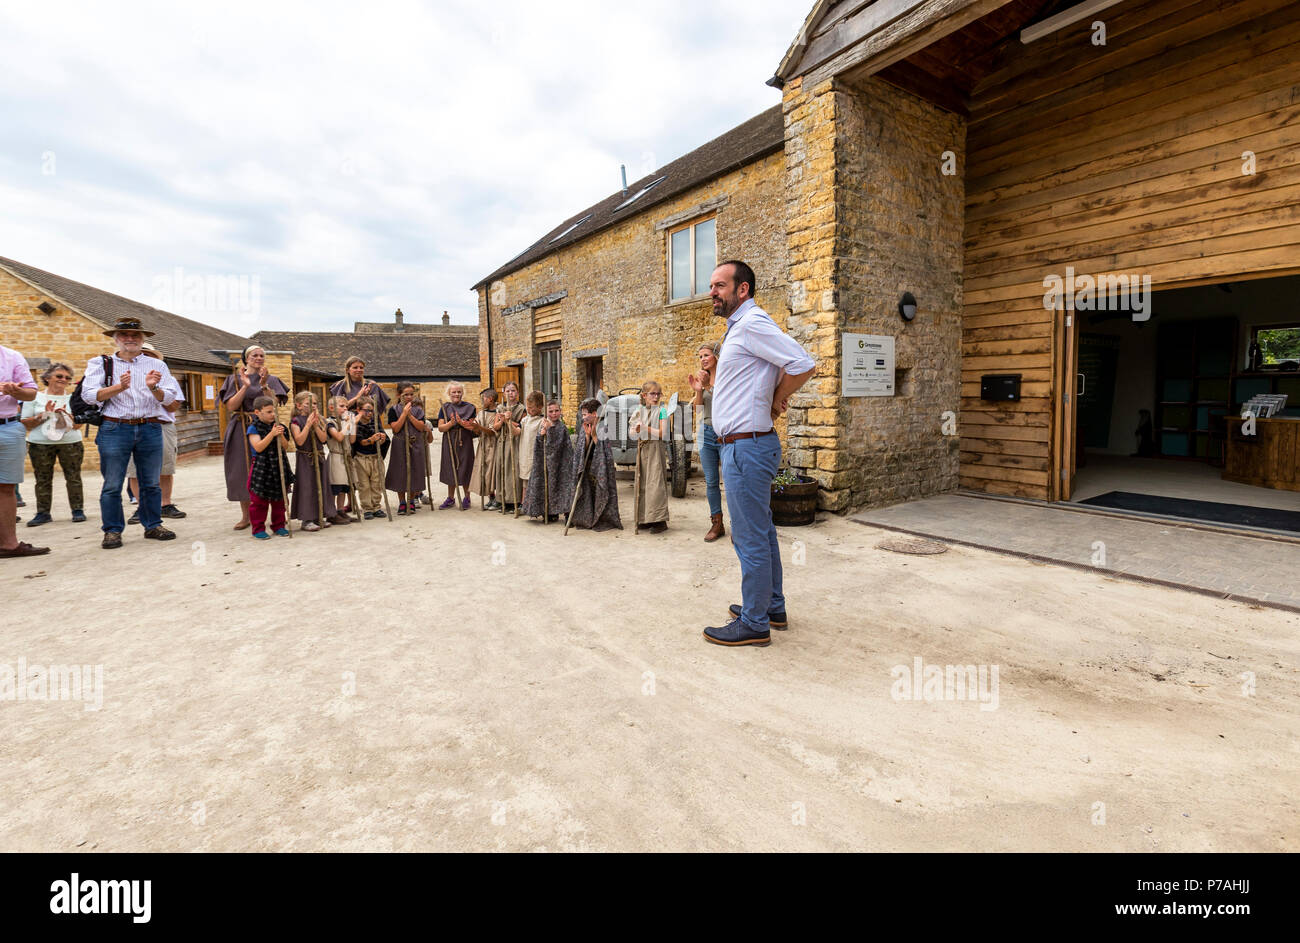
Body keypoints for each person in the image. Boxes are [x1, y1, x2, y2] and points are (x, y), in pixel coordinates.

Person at [704, 260, 814, 648]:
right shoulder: (740, 329)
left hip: (746, 447)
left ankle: (754, 622)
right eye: (712, 285)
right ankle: (771, 607)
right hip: (746, 444)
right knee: (762, 531)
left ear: (743, 289)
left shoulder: (752, 324)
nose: (712, 292)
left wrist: (778, 396)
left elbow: (803, 363)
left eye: (720, 285)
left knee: (749, 537)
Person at [80, 317, 181, 549]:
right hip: (115, 427)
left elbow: (170, 399)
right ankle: (113, 531)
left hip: (150, 426)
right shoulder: (100, 363)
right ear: (115, 339)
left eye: (135, 336)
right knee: (113, 484)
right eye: (124, 335)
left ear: (142, 339)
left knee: (151, 483)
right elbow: (89, 395)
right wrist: (119, 387)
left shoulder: (158, 366)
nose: (130, 339)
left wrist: (154, 387)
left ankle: (153, 524)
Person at [219, 345, 289, 530]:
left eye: (261, 355)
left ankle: (277, 514)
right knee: (242, 470)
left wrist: (264, 385)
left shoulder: (271, 379)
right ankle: (247, 516)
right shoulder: (233, 379)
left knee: (272, 468)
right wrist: (246, 387)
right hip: (241, 427)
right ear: (246, 358)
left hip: (268, 427)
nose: (258, 358)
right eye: (254, 355)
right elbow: (232, 406)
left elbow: (274, 404)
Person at [126, 343, 186, 524]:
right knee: (134, 471)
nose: (144, 358)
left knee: (165, 468)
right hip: (133, 425)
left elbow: (174, 405)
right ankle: (141, 506)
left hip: (161, 425)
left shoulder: (169, 380)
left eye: (148, 355)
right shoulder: (126, 379)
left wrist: (155, 390)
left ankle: (165, 504)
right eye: (140, 354)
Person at [20, 363, 85, 526]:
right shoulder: (35, 397)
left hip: (71, 443)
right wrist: (43, 416)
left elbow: (78, 425)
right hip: (40, 443)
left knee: (74, 477)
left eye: (67, 378)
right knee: (42, 478)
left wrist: (69, 417)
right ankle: (43, 513)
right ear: (47, 378)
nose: (63, 379)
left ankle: (78, 510)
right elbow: (26, 423)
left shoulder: (73, 399)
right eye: (59, 376)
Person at [0, 344, 47, 557]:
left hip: (9, 426)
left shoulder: (11, 356)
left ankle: (9, 545)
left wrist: (16, 391)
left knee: (7, 488)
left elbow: (30, 393)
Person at [558, 398, 622, 532]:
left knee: (599, 492)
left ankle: (600, 518)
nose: (584, 417)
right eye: (582, 415)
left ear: (595, 414)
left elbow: (605, 451)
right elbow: (582, 449)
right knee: (586, 492)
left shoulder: (604, 428)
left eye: (586, 414)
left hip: (599, 468)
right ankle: (585, 517)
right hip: (587, 466)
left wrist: (594, 436)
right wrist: (587, 436)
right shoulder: (584, 427)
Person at [688, 341, 724, 542]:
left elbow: (727, 401)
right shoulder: (702, 378)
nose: (702, 359)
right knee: (711, 482)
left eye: (706, 355)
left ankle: (740, 526)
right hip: (706, 432)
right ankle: (717, 523)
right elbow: (699, 412)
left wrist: (709, 385)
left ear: (716, 356)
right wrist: (699, 389)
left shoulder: (726, 376)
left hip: (726, 433)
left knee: (732, 481)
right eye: (700, 356)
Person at [246, 395, 294, 539]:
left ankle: (279, 525)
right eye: (268, 412)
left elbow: (286, 447)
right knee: (259, 501)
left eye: (274, 411)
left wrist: (280, 435)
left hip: (278, 465)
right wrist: (272, 434)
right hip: (262, 467)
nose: (272, 414)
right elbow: (259, 447)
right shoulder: (254, 428)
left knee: (279, 499)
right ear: (257, 412)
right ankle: (258, 528)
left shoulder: (279, 426)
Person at [629, 380, 670, 534]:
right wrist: (636, 430)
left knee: (655, 482)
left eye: (658, 394)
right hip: (643, 449)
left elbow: (663, 433)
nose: (656, 396)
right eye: (652, 394)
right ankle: (645, 518)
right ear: (644, 395)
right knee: (643, 482)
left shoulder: (662, 411)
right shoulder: (639, 411)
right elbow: (632, 433)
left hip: (655, 448)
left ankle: (659, 520)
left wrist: (645, 427)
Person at [521, 400, 570, 521]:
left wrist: (550, 432)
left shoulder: (562, 427)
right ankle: (547, 511)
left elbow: (558, 446)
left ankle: (558, 511)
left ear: (560, 411)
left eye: (556, 411)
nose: (554, 414)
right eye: (551, 411)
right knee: (545, 487)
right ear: (546, 413)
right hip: (544, 464)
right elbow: (539, 445)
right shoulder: (543, 424)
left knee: (557, 488)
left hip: (559, 465)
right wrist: (542, 434)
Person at [290, 392, 331, 531]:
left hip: (319, 456)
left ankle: (319, 516)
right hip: (305, 458)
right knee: (307, 487)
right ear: (299, 405)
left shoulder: (320, 420)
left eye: (314, 403)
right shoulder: (296, 421)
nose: (313, 406)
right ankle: (306, 519)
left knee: (320, 486)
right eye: (308, 404)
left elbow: (323, 439)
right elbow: (300, 441)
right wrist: (307, 425)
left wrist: (315, 426)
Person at [385, 381, 427, 515]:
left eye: (411, 394)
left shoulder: (419, 410)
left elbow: (421, 427)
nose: (409, 397)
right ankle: (402, 501)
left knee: (416, 471)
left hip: (416, 443)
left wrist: (410, 415)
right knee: (400, 472)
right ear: (398, 395)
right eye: (405, 394)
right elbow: (396, 428)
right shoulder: (393, 409)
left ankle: (411, 500)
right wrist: (403, 414)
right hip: (400, 443)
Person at [436, 382, 477, 509]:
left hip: (465, 440)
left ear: (462, 393)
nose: (456, 394)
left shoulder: (470, 407)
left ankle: (467, 497)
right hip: (449, 440)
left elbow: (473, 427)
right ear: (449, 393)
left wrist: (461, 423)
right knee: (450, 467)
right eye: (454, 392)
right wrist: (452, 423)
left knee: (465, 467)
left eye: (459, 392)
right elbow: (441, 428)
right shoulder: (444, 408)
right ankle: (451, 498)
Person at [350, 396, 388, 519]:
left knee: (376, 483)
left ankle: (376, 506)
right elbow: (360, 442)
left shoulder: (375, 420)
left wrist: (381, 438)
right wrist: (371, 440)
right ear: (358, 410)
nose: (369, 413)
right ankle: (367, 508)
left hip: (375, 457)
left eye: (371, 410)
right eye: (366, 410)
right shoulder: (356, 422)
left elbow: (384, 438)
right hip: (361, 458)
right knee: (364, 485)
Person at [493, 381, 526, 511]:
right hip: (502, 442)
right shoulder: (500, 408)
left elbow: (521, 425)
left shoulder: (521, 408)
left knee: (513, 470)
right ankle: (502, 500)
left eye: (513, 390)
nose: (510, 393)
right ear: (503, 392)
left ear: (517, 393)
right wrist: (502, 419)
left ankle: (515, 501)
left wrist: (509, 420)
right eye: (508, 391)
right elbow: (495, 427)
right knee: (502, 469)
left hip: (515, 442)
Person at [467, 388, 500, 509]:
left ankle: (498, 499)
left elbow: (492, 432)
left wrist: (479, 426)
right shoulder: (481, 413)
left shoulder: (498, 412)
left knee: (492, 472)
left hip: (493, 445)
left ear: (490, 399)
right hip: (483, 445)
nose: (482, 401)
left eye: (484, 399)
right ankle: (491, 497)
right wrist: (473, 426)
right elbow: (477, 431)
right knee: (484, 471)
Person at [325, 395, 354, 524]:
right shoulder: (329, 422)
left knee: (344, 487)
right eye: (342, 406)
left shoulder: (344, 422)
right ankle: (331, 513)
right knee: (335, 486)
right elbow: (338, 437)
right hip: (336, 456)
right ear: (332, 408)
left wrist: (353, 423)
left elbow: (352, 440)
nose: (345, 409)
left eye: (346, 406)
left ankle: (340, 510)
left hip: (346, 456)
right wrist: (347, 424)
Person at [516, 391, 547, 506]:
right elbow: (517, 431)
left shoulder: (542, 421)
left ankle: (535, 504)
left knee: (536, 481)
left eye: (532, 408)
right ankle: (524, 503)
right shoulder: (525, 420)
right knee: (525, 481)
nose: (529, 410)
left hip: (536, 455)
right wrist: (508, 423)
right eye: (527, 408)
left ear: (540, 407)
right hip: (525, 454)